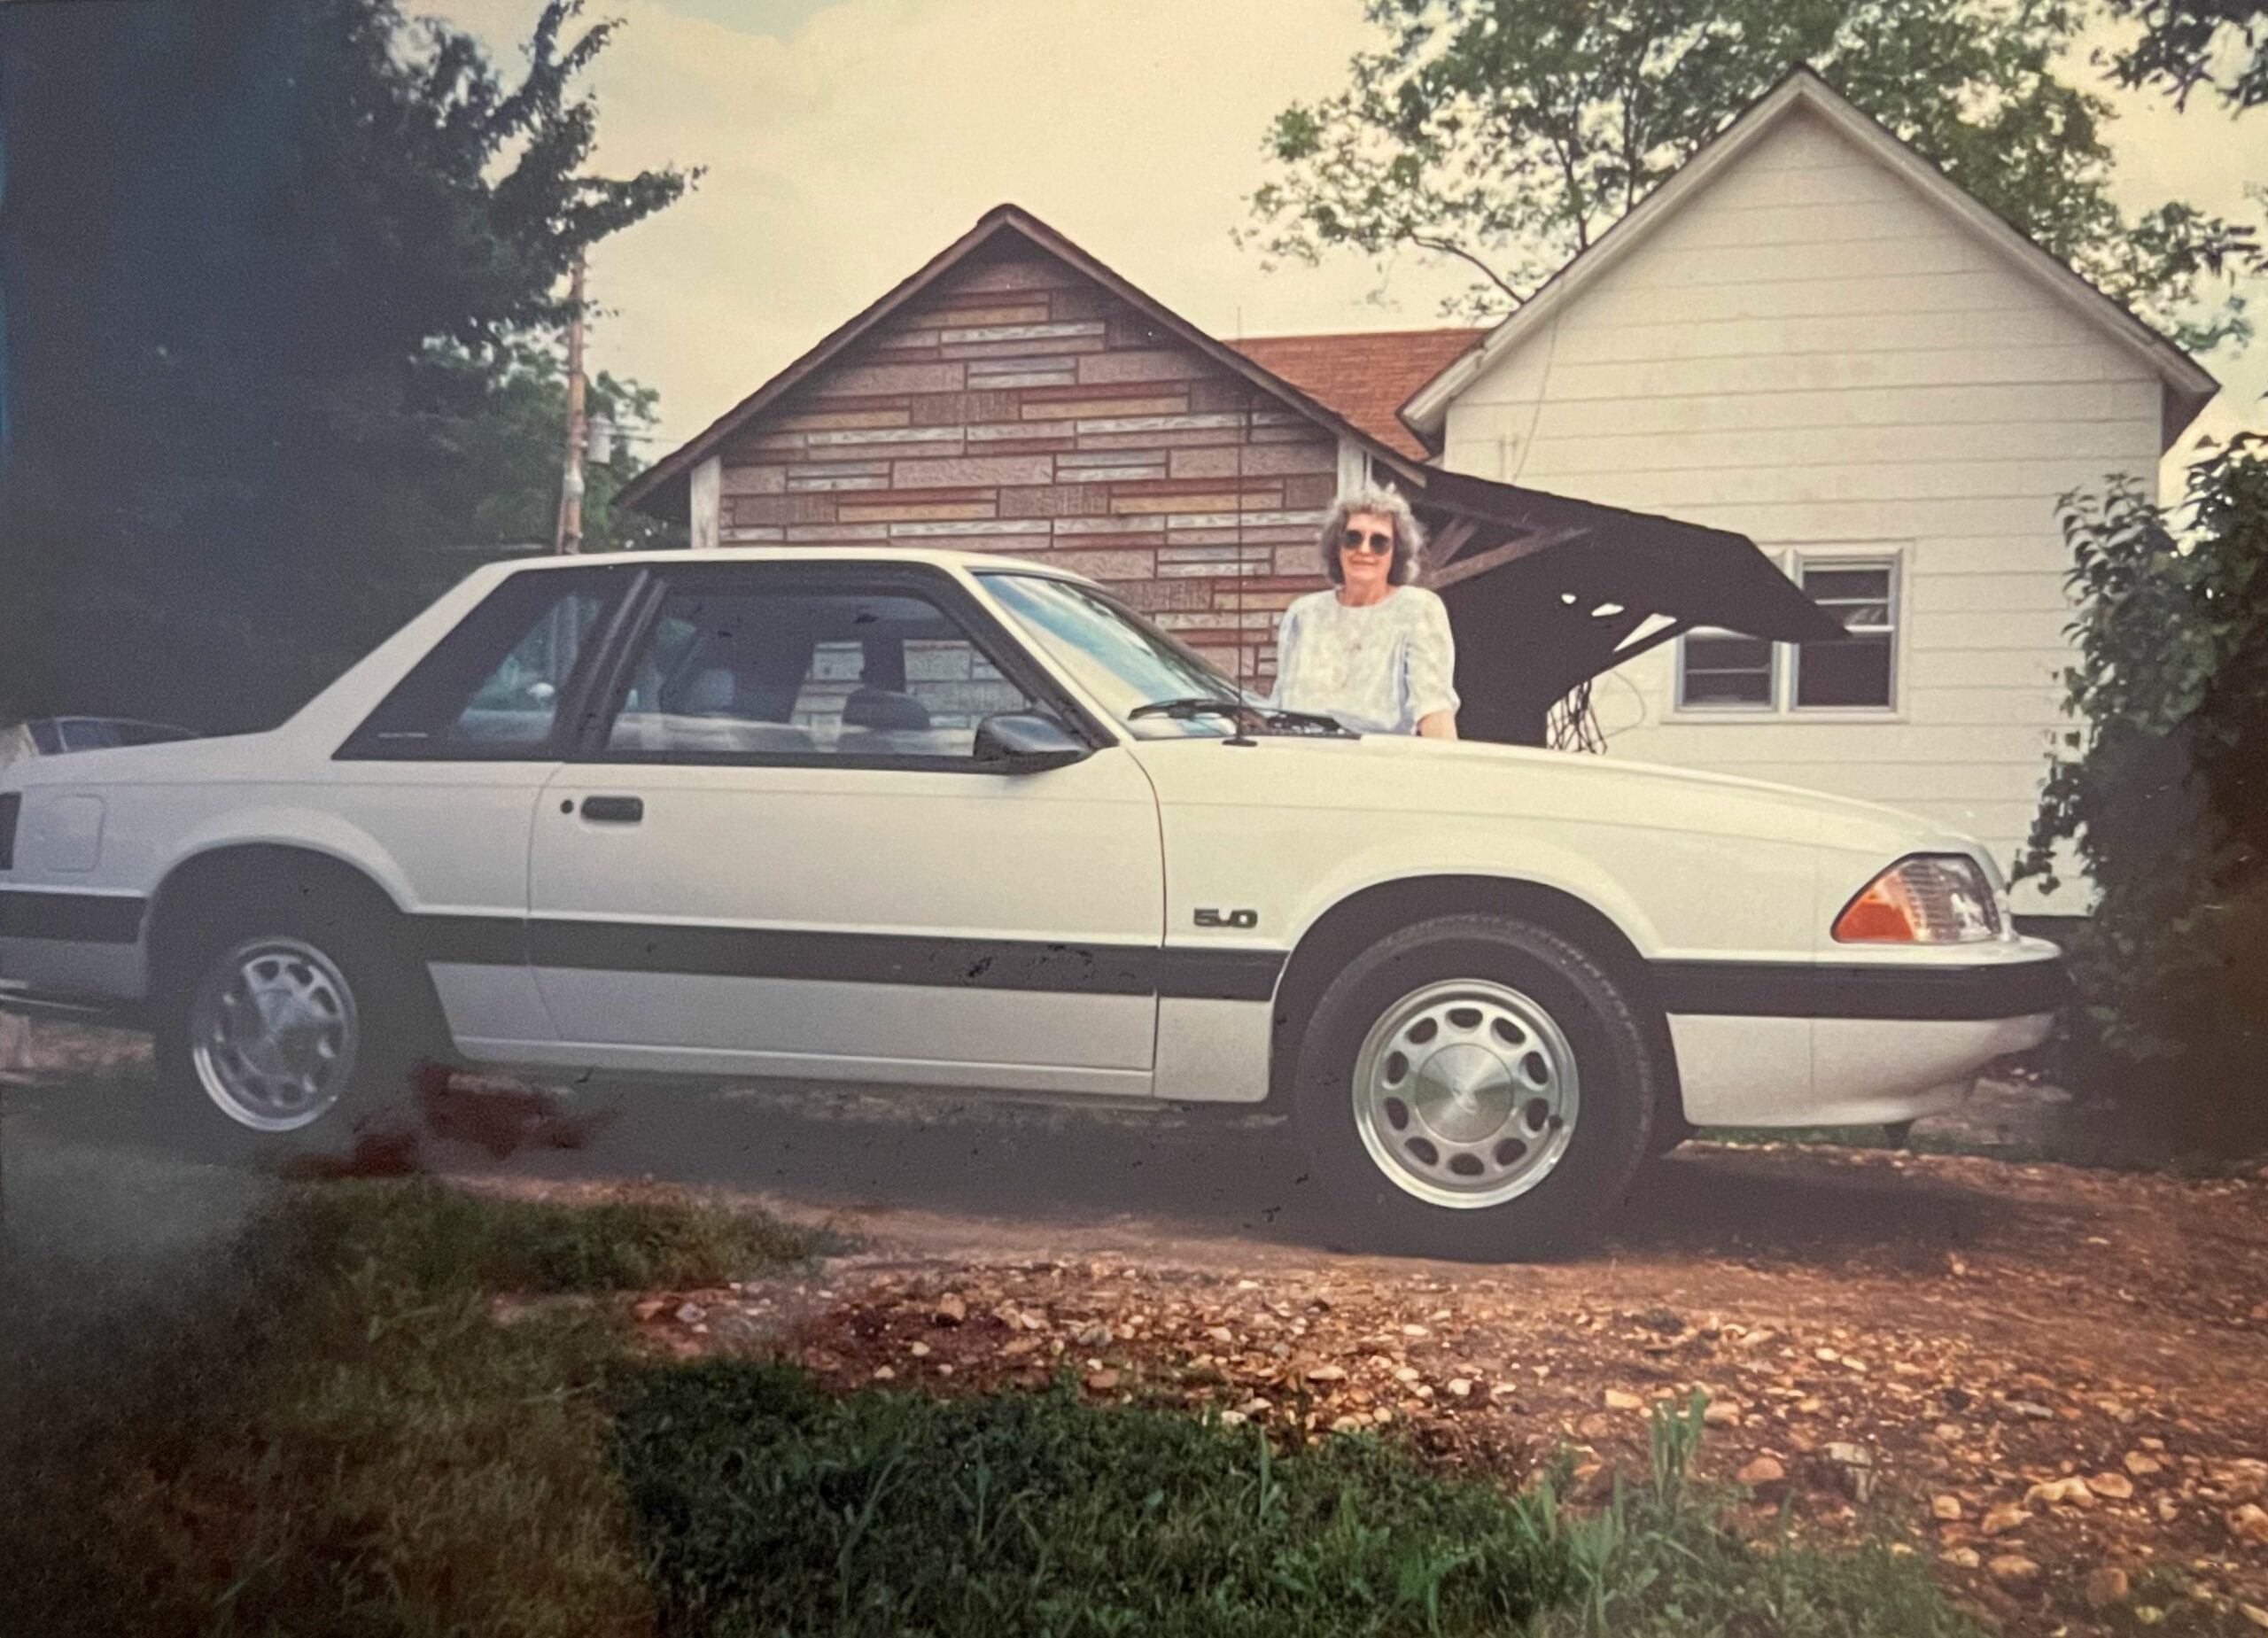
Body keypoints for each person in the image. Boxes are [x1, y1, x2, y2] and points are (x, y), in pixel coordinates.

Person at [1269, 485, 1460, 739]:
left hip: (1378, 766)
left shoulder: (1418, 609)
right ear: (1337, 547)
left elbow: (1434, 708)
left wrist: (1448, 774)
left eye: (1379, 542)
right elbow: (1279, 708)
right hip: (1302, 760)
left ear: (1396, 553)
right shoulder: (1304, 613)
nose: (1364, 549)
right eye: (1353, 538)